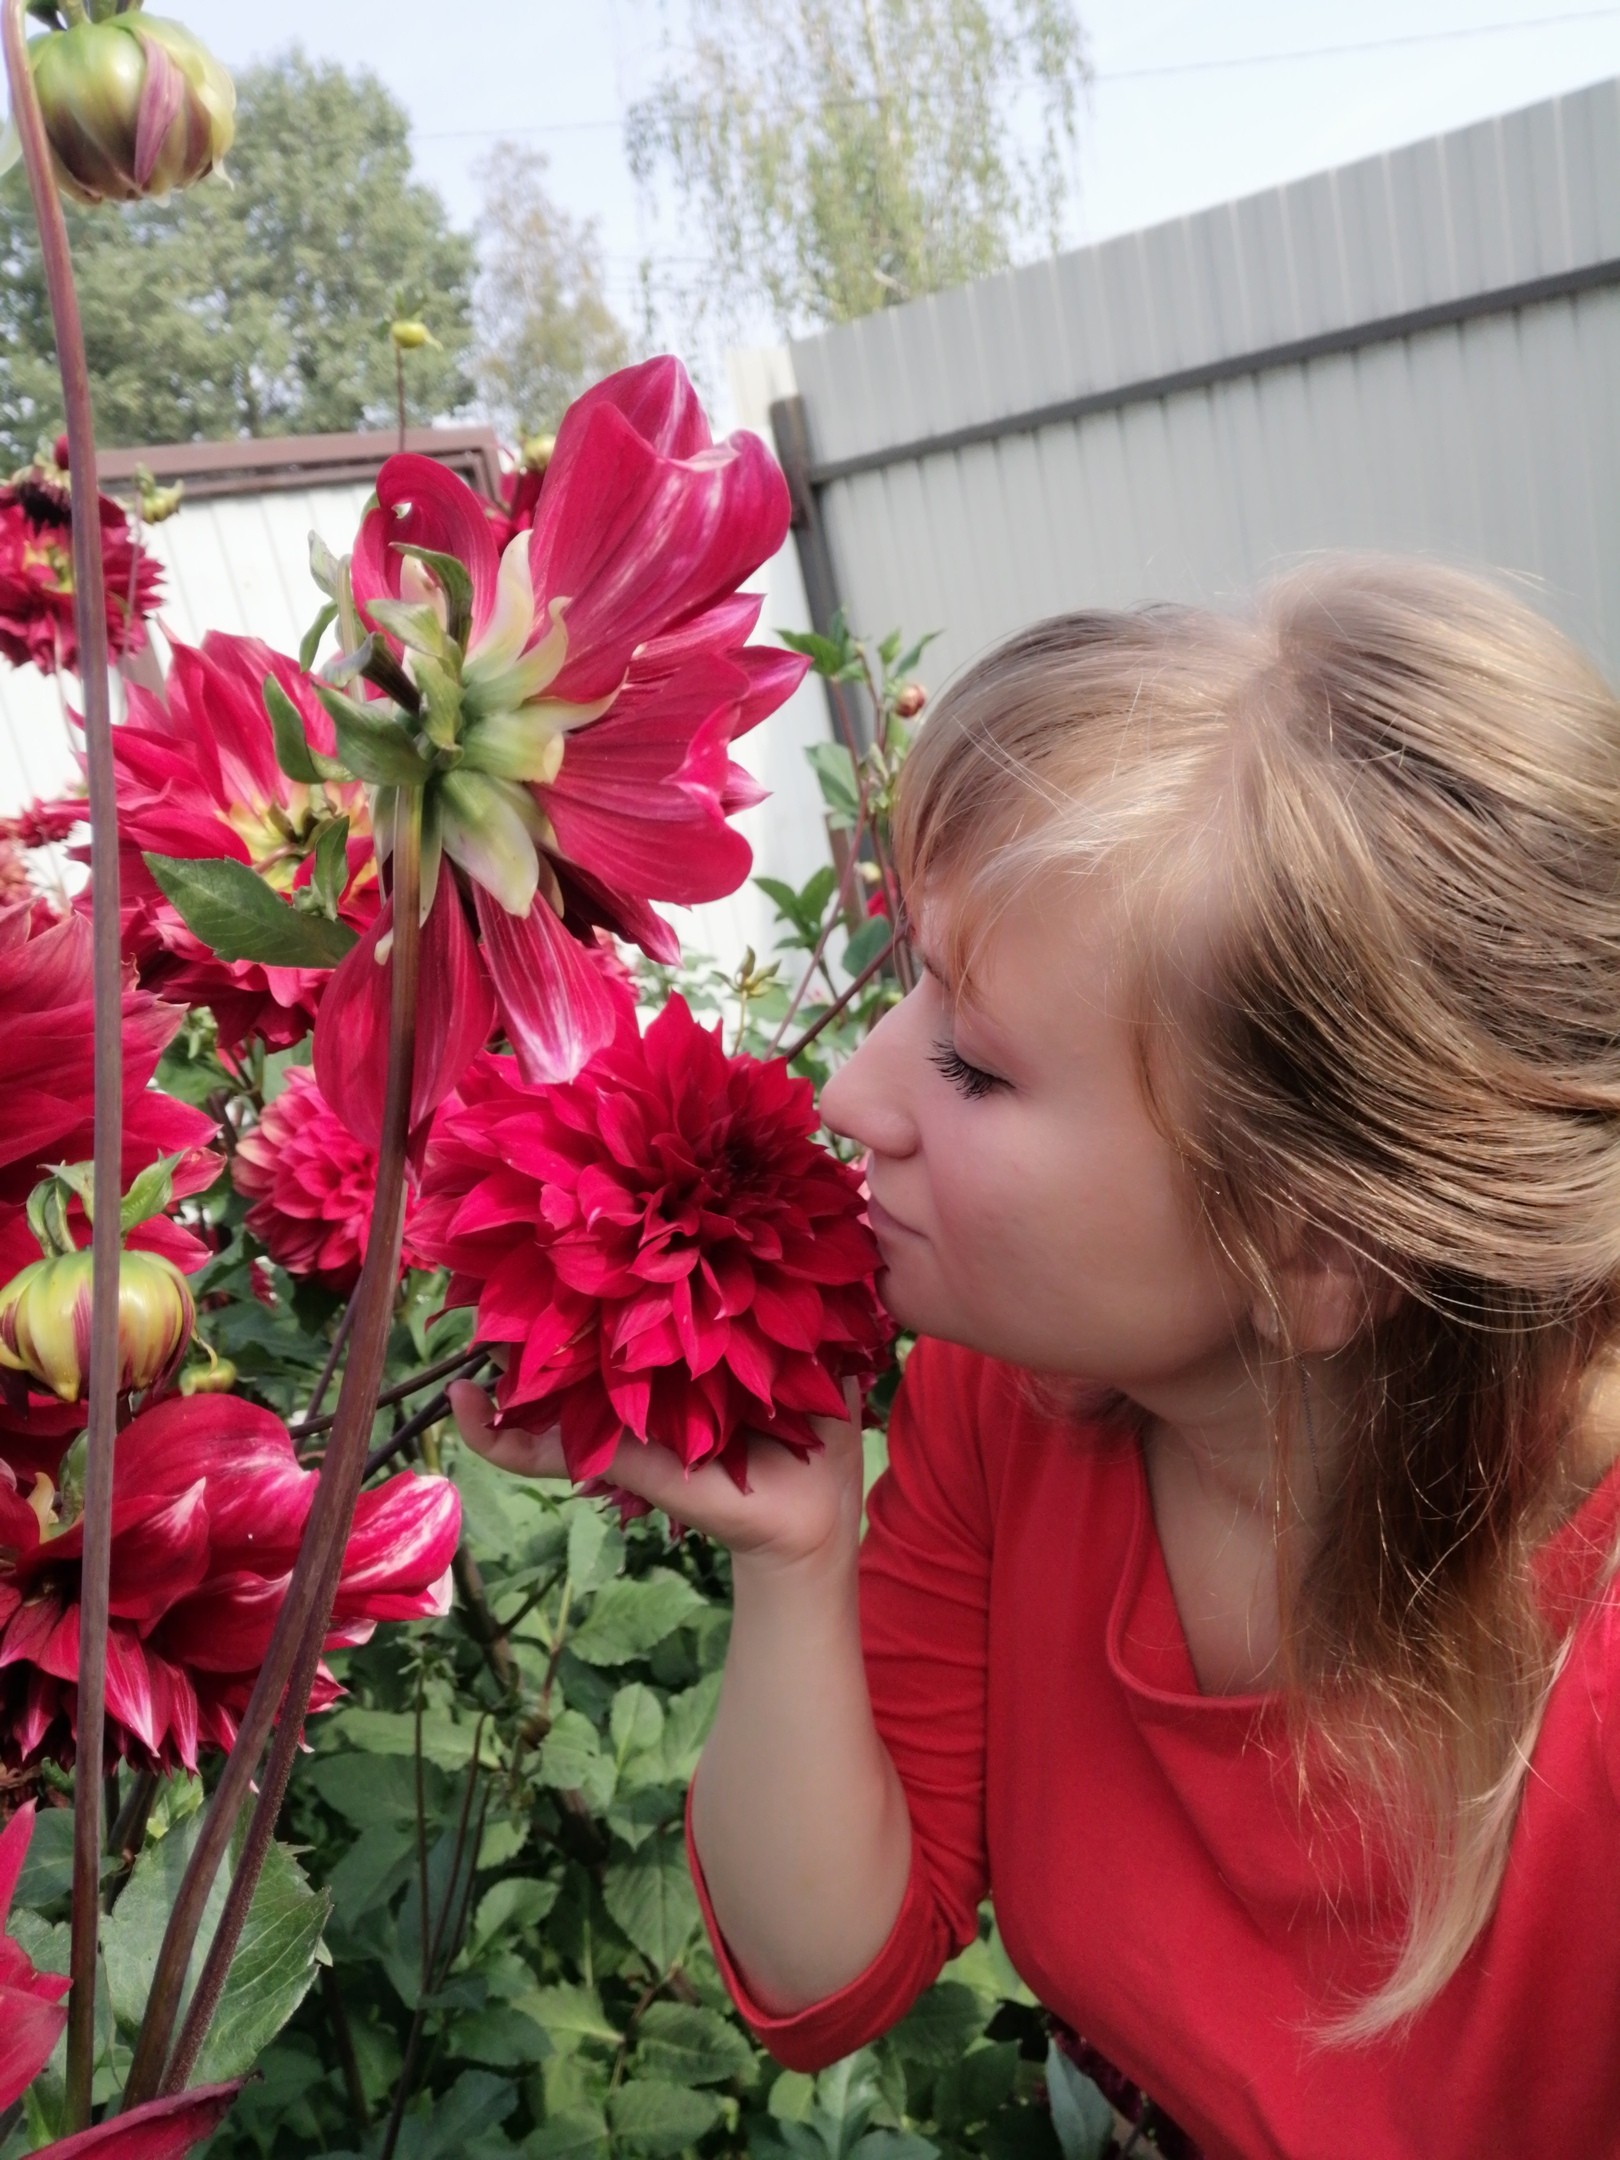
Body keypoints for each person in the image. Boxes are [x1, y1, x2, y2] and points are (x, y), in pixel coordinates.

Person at [452, 558, 1620, 2160]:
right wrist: (797, 1543)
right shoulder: (1010, 1404)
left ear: (1320, 1252)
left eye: (974, 1064)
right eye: (910, 979)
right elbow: (828, 1985)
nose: (854, 1094)